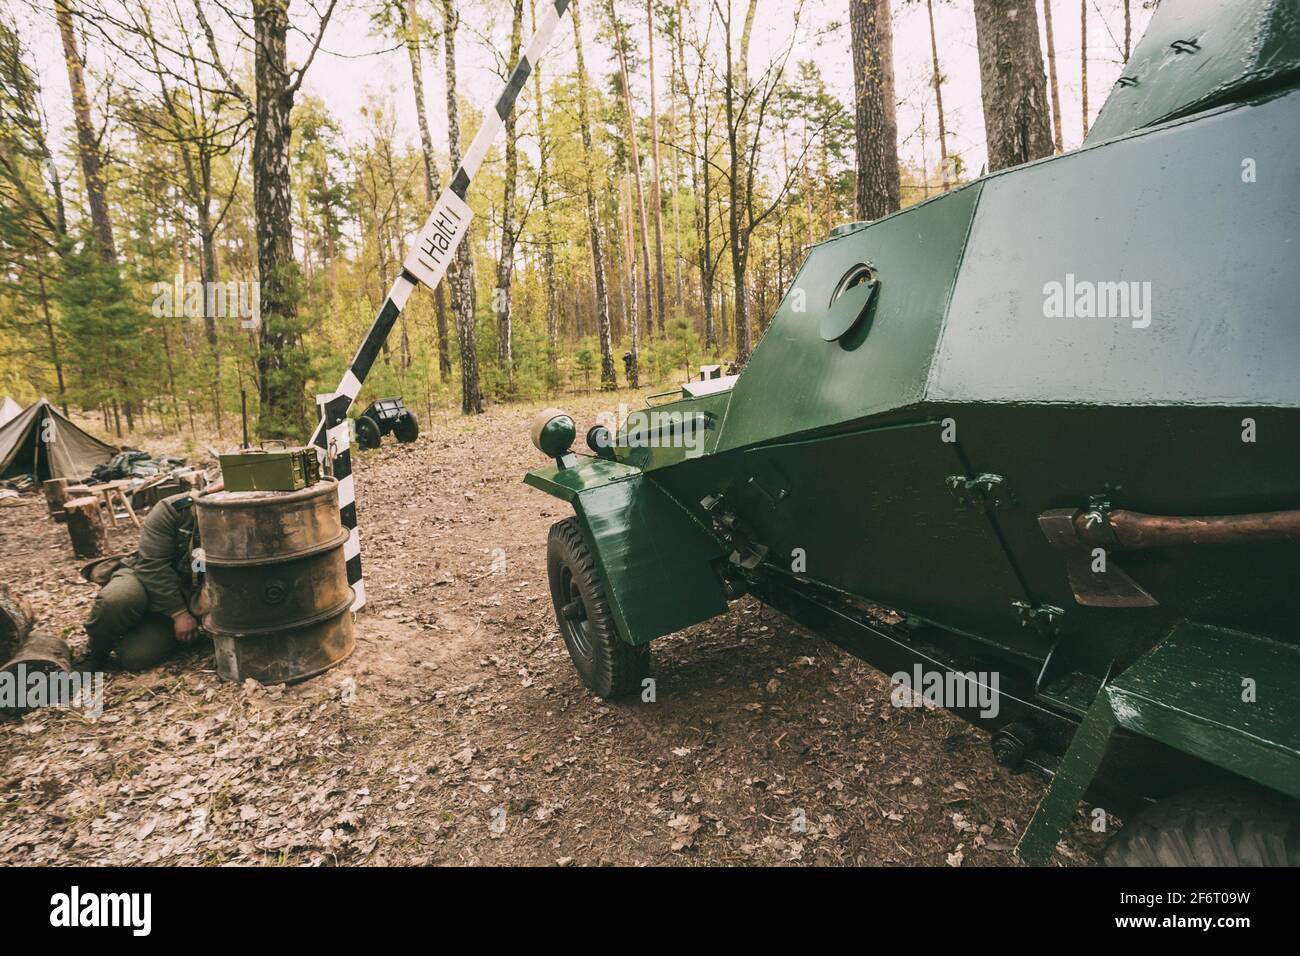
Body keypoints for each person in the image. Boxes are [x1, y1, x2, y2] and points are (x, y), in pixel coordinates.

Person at [79, 480, 223, 671]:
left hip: (193, 594)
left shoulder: (250, 514)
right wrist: (178, 613)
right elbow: (152, 564)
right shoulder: (175, 509)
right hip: (145, 578)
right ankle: (95, 651)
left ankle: (143, 626)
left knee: (135, 658)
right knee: (118, 599)